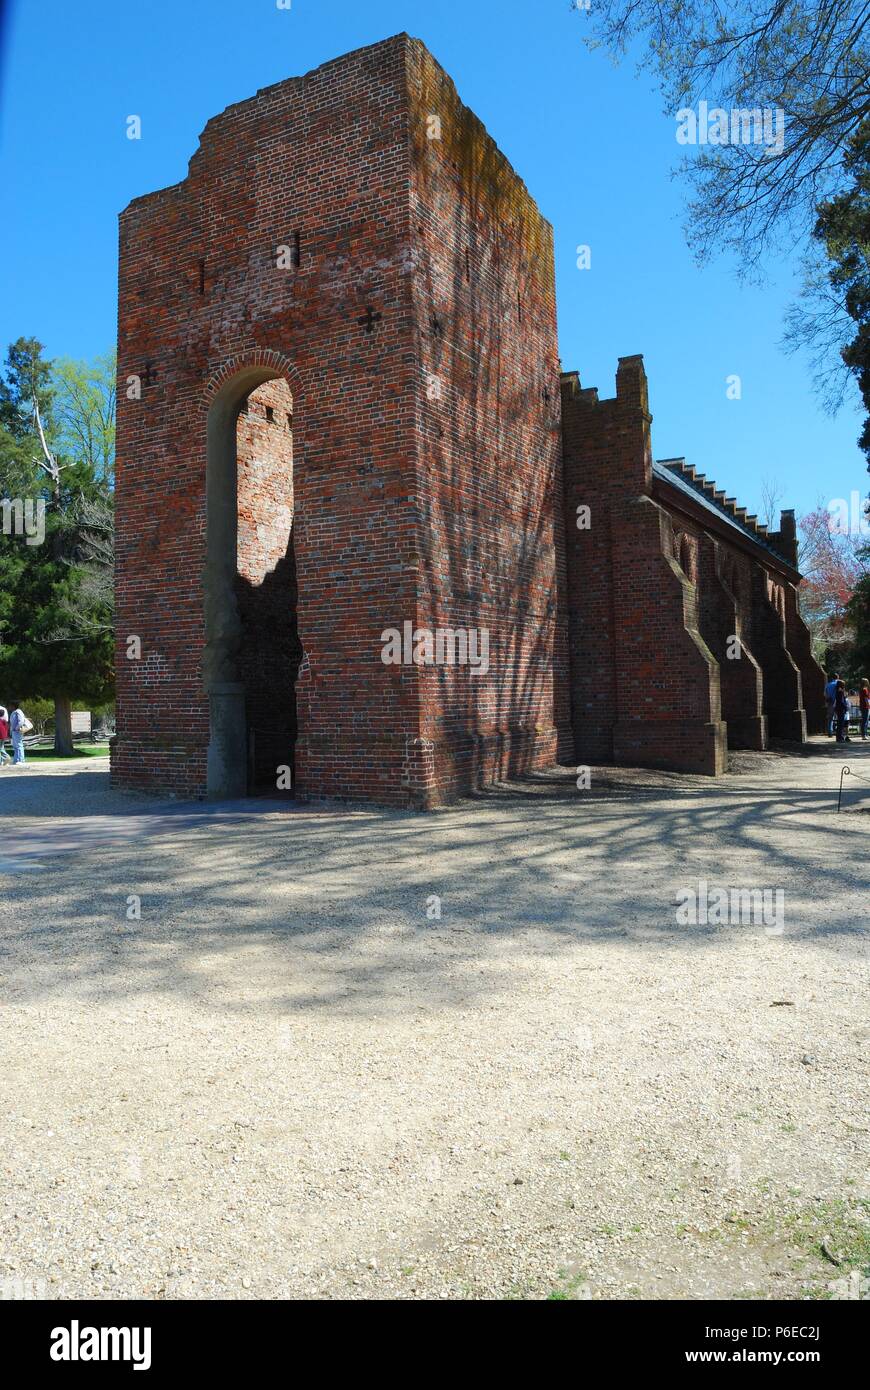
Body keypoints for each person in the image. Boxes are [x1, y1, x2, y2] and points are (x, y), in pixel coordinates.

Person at [824, 672, 840, 737]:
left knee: (830, 718)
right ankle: (839, 732)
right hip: (838, 702)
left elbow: (824, 694)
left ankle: (830, 733)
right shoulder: (838, 684)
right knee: (840, 717)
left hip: (830, 702)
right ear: (838, 677)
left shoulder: (827, 684)